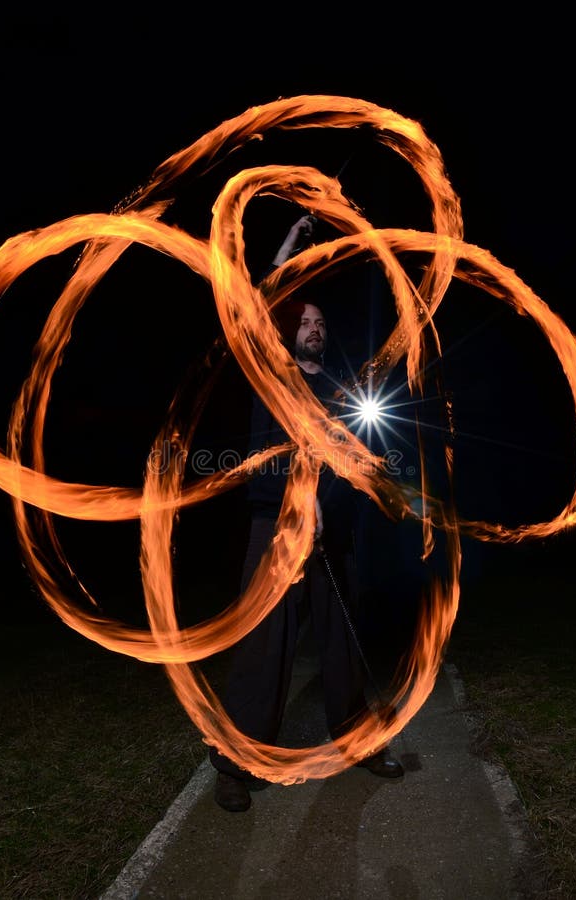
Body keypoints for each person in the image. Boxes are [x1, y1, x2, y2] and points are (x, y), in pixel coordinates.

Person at [209, 214, 404, 813]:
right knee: (267, 642)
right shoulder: (275, 373)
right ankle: (236, 760)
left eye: (320, 323)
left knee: (343, 637)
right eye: (303, 321)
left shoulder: (342, 392)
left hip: (332, 533)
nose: (311, 328)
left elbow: (352, 456)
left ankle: (358, 741)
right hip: (277, 528)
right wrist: (288, 250)